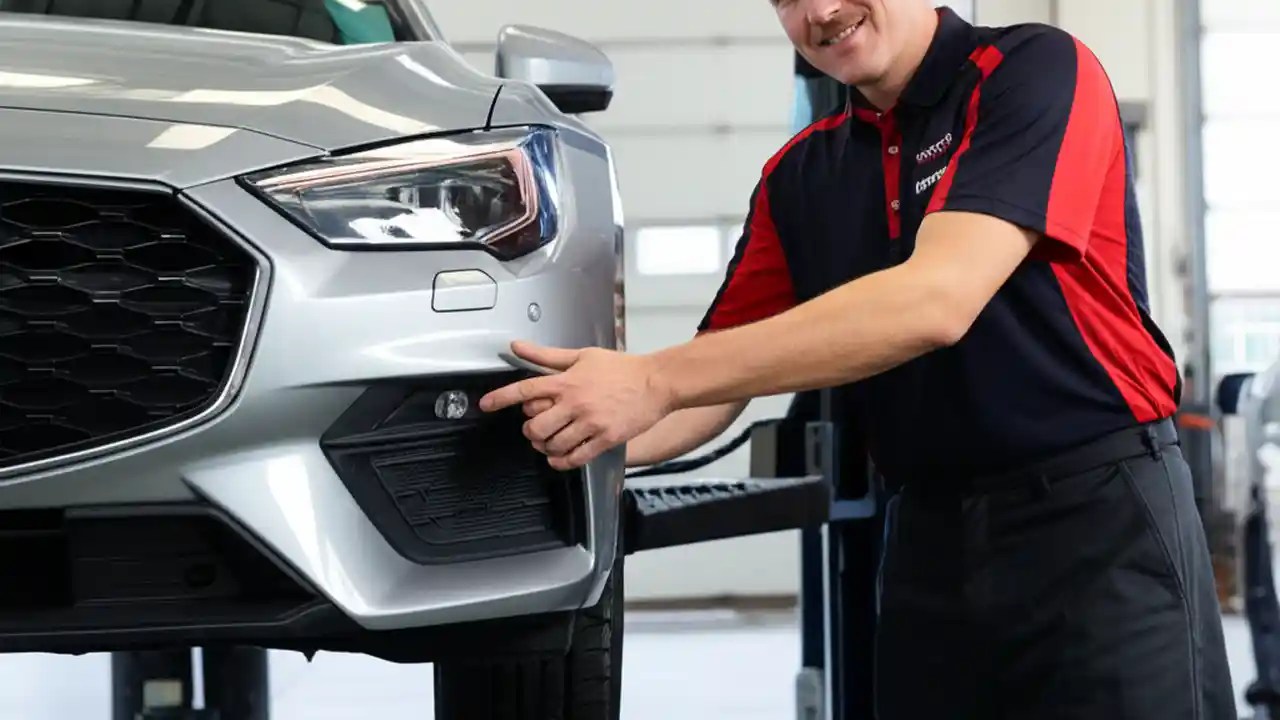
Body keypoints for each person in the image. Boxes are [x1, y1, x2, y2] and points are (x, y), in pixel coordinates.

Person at [480, 1, 1237, 717]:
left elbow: (936, 300)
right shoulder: (800, 176)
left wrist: (650, 379)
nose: (818, 14)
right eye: (785, 0)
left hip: (1097, 523)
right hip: (928, 547)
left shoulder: (1034, 72)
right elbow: (707, 386)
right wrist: (555, 440)